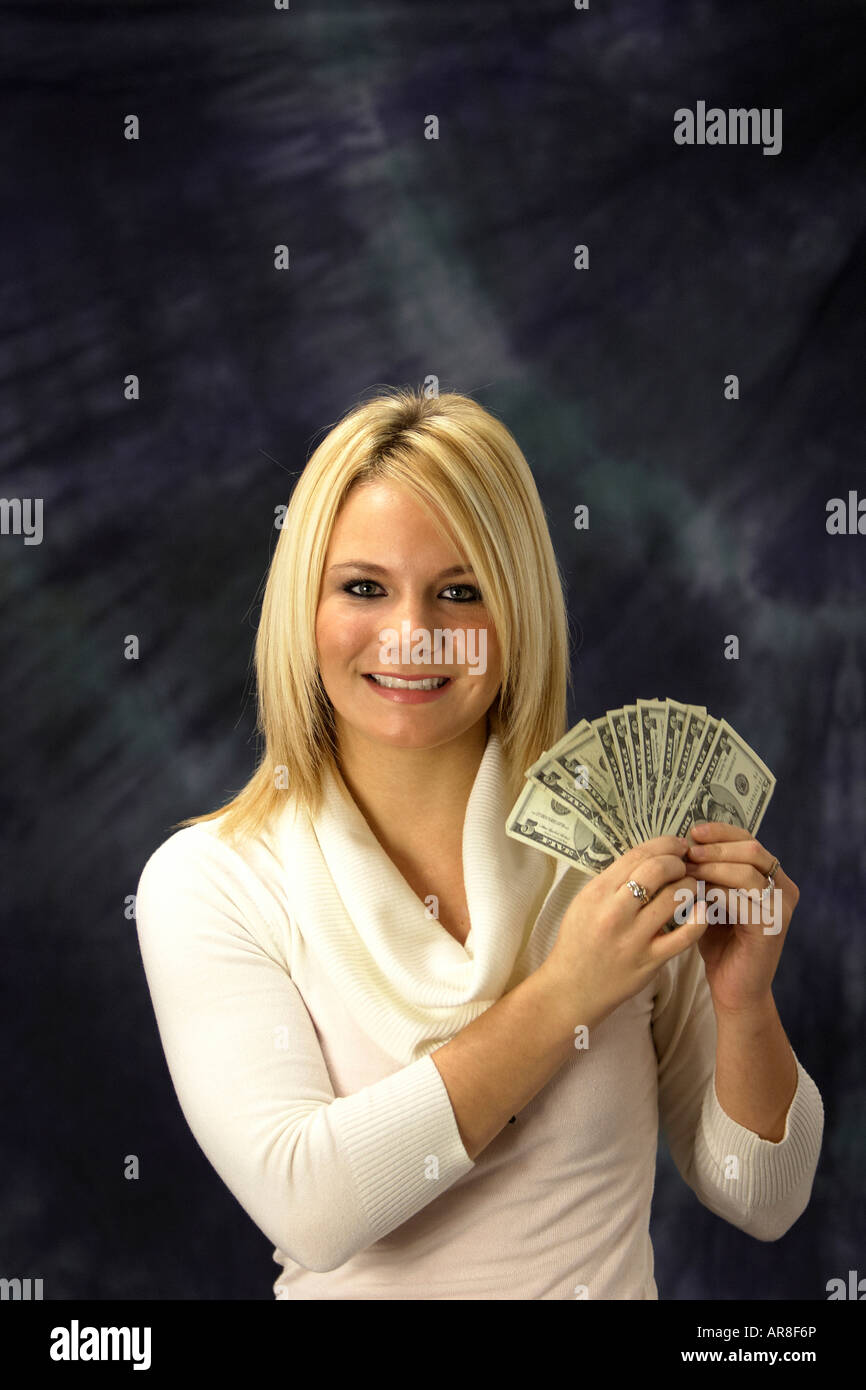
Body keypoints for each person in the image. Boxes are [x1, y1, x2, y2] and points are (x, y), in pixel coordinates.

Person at [134, 387, 824, 1300]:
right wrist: (568, 993)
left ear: (518, 612)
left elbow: (760, 1198)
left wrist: (745, 1006)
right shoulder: (212, 882)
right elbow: (312, 1206)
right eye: (364, 588)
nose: (412, 636)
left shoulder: (616, 856)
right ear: (303, 606)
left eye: (460, 592)